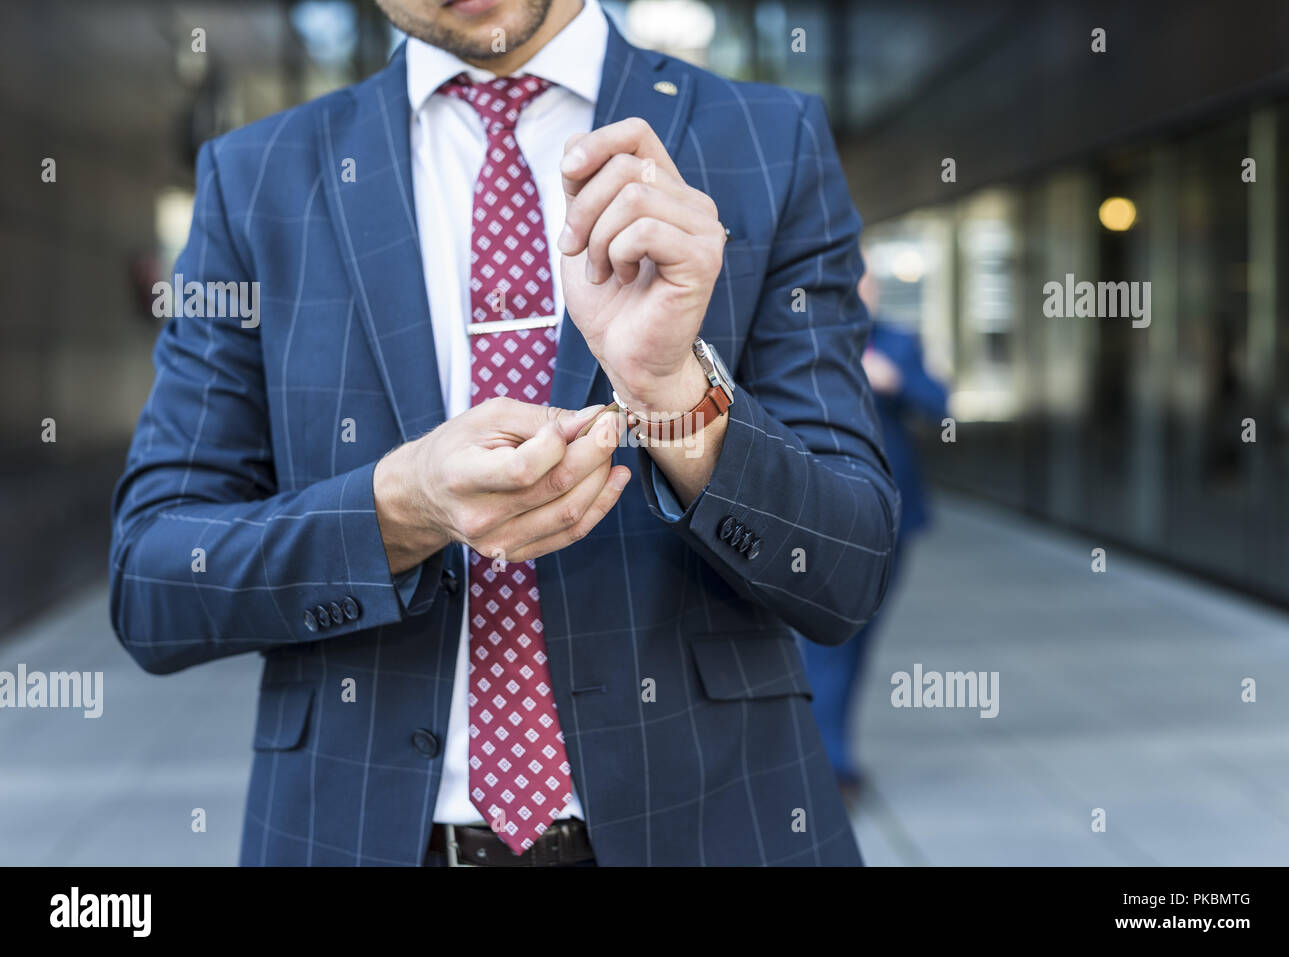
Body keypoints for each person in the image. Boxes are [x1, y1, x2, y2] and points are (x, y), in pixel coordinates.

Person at [109, 0, 898, 867]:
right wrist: (397, 511)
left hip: (714, 828)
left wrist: (675, 392)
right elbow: (154, 583)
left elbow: (844, 570)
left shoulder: (768, 140)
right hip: (357, 835)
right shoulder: (256, 178)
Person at [800, 270, 948, 799]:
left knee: (860, 638)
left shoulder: (899, 342)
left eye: (866, 284)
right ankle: (828, 763)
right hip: (824, 510)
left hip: (892, 515)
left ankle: (832, 753)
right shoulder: (802, 339)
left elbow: (940, 406)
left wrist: (896, 380)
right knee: (828, 636)